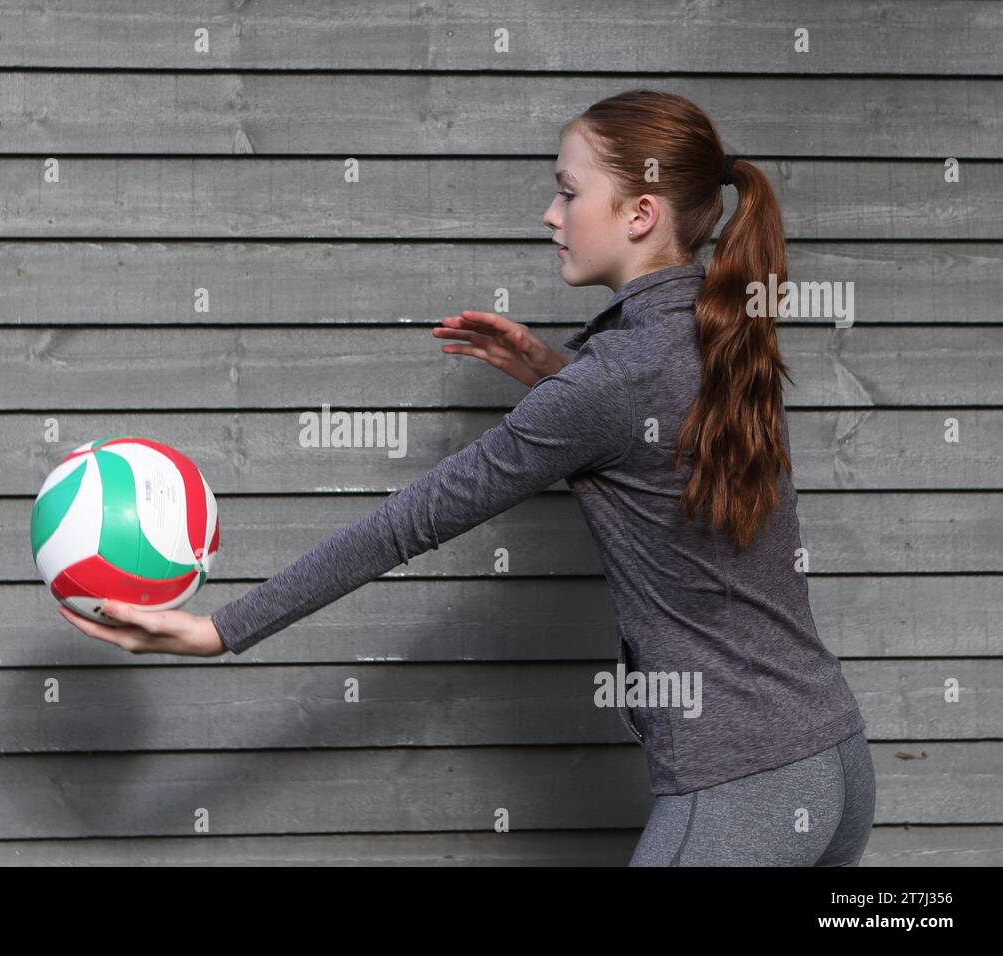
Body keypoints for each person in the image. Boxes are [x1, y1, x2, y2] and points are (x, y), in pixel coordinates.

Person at [58, 89, 876, 867]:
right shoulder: (721, 333)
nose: (549, 215)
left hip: (744, 782)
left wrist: (219, 629)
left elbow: (410, 521)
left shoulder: (609, 384)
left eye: (567, 191)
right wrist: (556, 374)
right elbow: (660, 440)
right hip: (833, 759)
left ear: (639, 213)